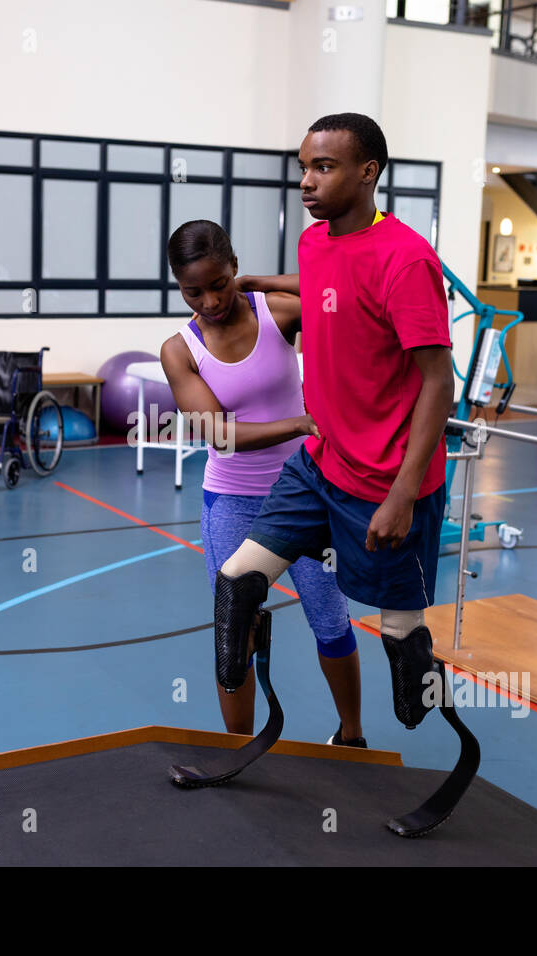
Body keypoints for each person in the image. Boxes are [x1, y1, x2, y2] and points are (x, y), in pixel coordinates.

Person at [223, 111, 457, 747]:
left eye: (323, 167)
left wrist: (403, 495)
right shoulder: (314, 240)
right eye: (303, 167)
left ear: (367, 172)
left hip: (387, 478)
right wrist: (258, 283)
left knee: (404, 654)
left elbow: (440, 383)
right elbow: (330, 285)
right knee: (236, 584)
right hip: (320, 461)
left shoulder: (408, 260)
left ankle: (411, 690)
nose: (306, 181)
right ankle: (248, 731)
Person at [159, 219, 367, 747]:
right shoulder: (180, 350)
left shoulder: (276, 314)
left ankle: (351, 734)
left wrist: (262, 282)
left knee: (330, 618)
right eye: (193, 290)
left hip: (305, 496)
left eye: (220, 283)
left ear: (235, 268)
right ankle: (240, 749)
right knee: (235, 633)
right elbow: (216, 433)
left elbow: (336, 292)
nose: (208, 300)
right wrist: (300, 424)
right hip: (232, 503)